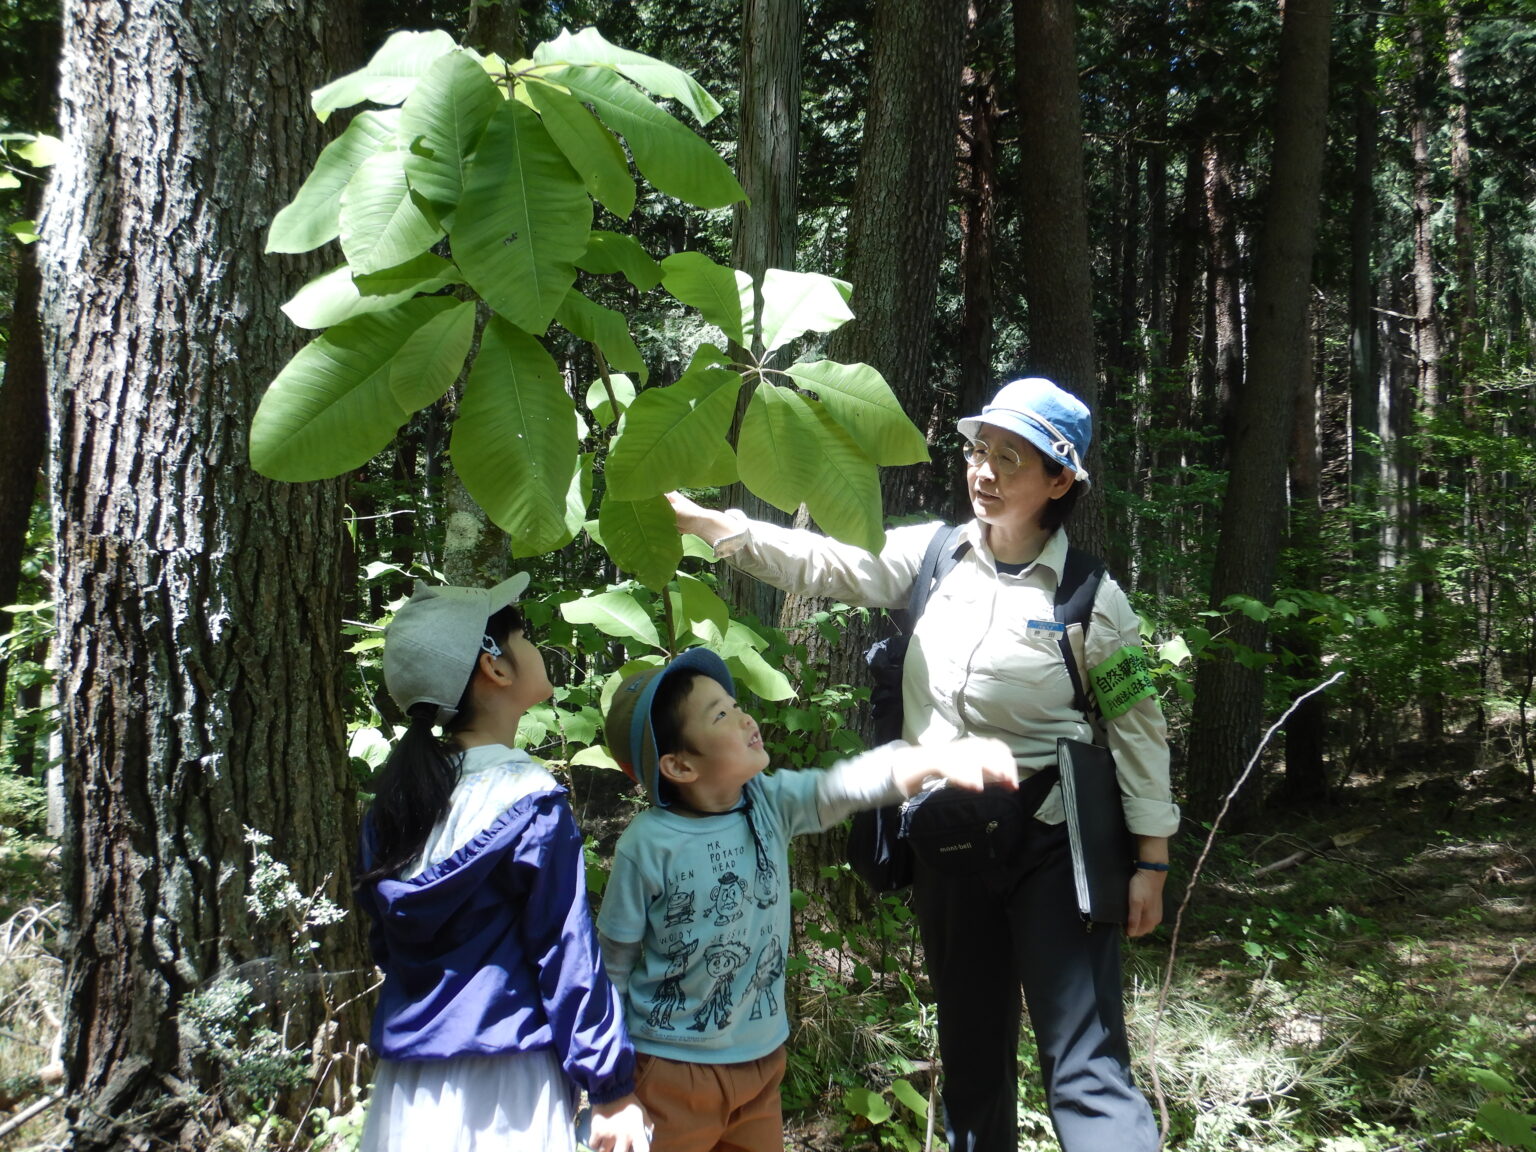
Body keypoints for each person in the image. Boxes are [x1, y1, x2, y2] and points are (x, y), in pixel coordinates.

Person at [666, 376, 1180, 1152]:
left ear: (1059, 480)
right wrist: (719, 527)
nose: (986, 471)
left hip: (1052, 849)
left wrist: (1151, 861)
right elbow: (825, 563)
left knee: (1085, 1068)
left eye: (1013, 458)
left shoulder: (1093, 599)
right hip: (949, 847)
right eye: (981, 450)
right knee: (972, 1063)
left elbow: (1139, 731)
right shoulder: (933, 555)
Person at [596, 647, 1019, 1152]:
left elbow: (842, 786)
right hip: (669, 1067)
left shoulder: (768, 804)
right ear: (680, 765)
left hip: (760, 1061)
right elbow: (613, 964)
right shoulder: (647, 844)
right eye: (721, 715)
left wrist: (931, 760)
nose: (744, 716)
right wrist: (611, 1086)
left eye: (735, 703)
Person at [355, 575, 650, 1152]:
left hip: (406, 1087)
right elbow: (566, 952)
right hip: (510, 1083)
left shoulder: (395, 803)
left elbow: (388, 945)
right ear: (495, 666)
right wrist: (611, 1088)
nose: (535, 645)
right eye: (524, 634)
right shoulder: (529, 798)